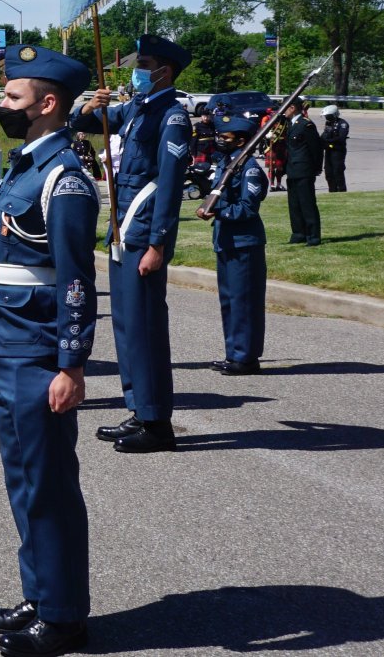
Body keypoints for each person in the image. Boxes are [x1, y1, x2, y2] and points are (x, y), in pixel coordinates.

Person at [0, 44, 99, 657]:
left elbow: (76, 277)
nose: (2, 106)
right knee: (24, 481)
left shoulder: (62, 175)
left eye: (12, 98)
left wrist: (71, 363)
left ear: (48, 104)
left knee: (48, 484)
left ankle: (65, 617)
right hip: (4, 345)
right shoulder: (22, 166)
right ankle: (41, 595)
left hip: (36, 350)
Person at [74, 34, 192, 455]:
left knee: (145, 329)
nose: (136, 71)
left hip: (143, 235)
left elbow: (170, 185)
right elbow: (83, 124)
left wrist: (159, 244)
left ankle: (158, 422)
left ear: (165, 71)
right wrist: (92, 105)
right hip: (122, 231)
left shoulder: (172, 117)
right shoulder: (137, 110)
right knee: (126, 328)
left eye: (143, 64)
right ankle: (139, 408)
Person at [200, 111, 270, 375]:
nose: (219, 139)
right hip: (226, 241)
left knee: (245, 302)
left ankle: (247, 357)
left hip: (244, 243)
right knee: (229, 301)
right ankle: (234, 353)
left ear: (241, 141)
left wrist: (218, 211)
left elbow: (248, 208)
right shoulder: (229, 164)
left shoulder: (249, 169)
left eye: (225, 137)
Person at [282, 97, 323, 244]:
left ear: (292, 108)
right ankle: (299, 233)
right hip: (292, 169)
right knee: (294, 204)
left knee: (307, 203)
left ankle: (313, 235)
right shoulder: (290, 124)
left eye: (285, 107)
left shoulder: (306, 125)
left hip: (304, 169)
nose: (283, 111)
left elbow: (316, 149)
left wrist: (317, 168)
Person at [321, 106, 350, 193]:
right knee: (328, 173)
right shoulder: (328, 123)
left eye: (328, 116)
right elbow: (325, 134)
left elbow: (341, 138)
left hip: (338, 151)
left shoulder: (343, 124)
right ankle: (332, 191)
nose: (327, 118)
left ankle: (342, 190)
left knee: (338, 171)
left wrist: (328, 141)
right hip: (328, 150)